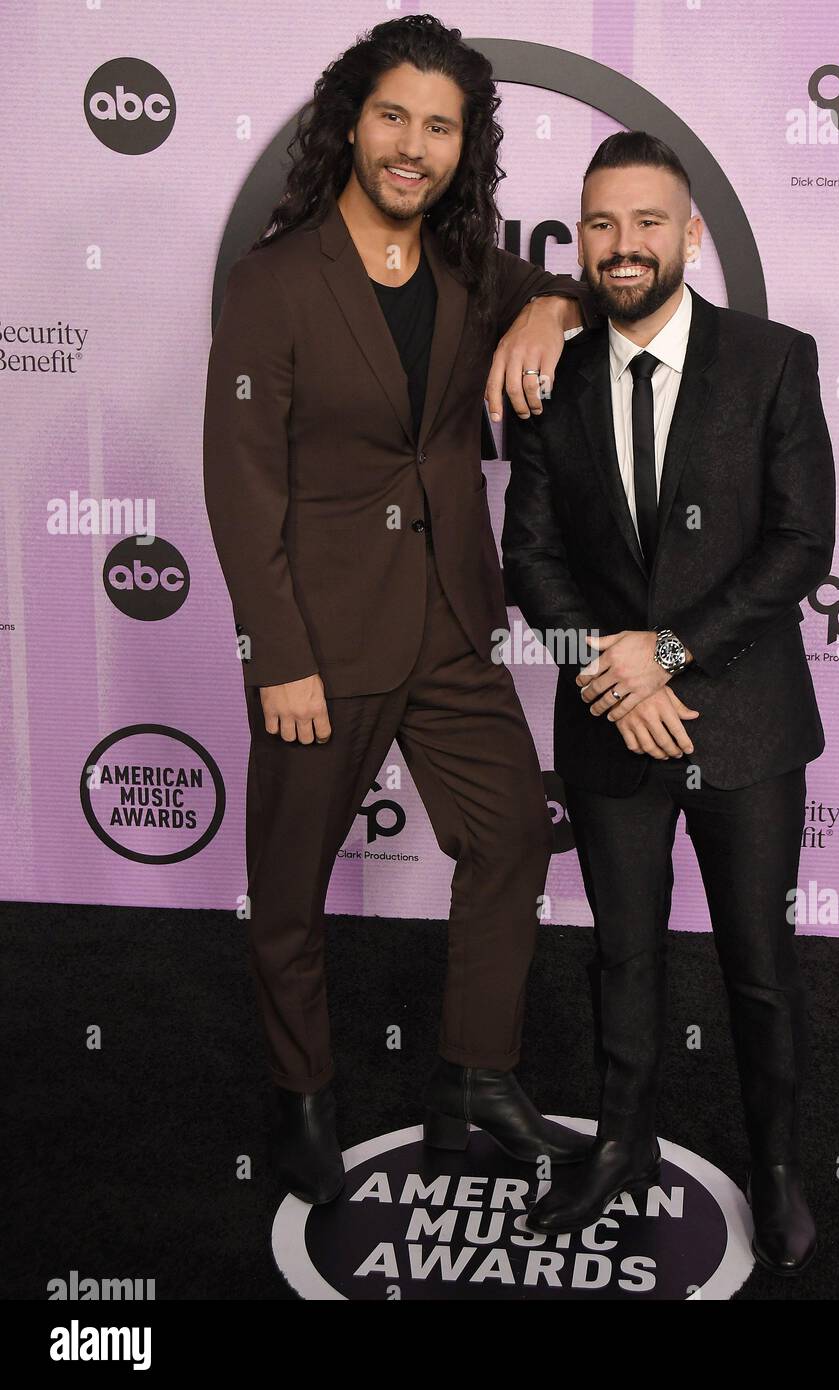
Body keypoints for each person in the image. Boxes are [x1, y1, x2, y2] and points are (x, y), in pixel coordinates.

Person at [202, 14, 597, 1206]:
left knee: (511, 833)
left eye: (438, 126)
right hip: (318, 640)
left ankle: (473, 1080)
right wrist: (278, 655)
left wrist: (553, 310)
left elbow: (575, 294)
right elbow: (240, 483)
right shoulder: (275, 281)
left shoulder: (473, 267)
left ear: (461, 146)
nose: (411, 146)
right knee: (291, 886)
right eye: (393, 117)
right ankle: (302, 1098)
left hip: (448, 619)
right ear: (352, 123)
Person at [501, 131, 836, 1274]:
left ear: (688, 231)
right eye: (600, 224)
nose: (623, 244)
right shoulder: (550, 379)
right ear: (577, 239)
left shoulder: (771, 361)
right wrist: (610, 665)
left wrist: (671, 656)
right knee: (622, 955)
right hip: (607, 719)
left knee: (756, 961)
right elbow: (528, 558)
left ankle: (776, 1166)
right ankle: (620, 1145)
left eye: (647, 221)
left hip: (741, 723)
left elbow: (800, 543)